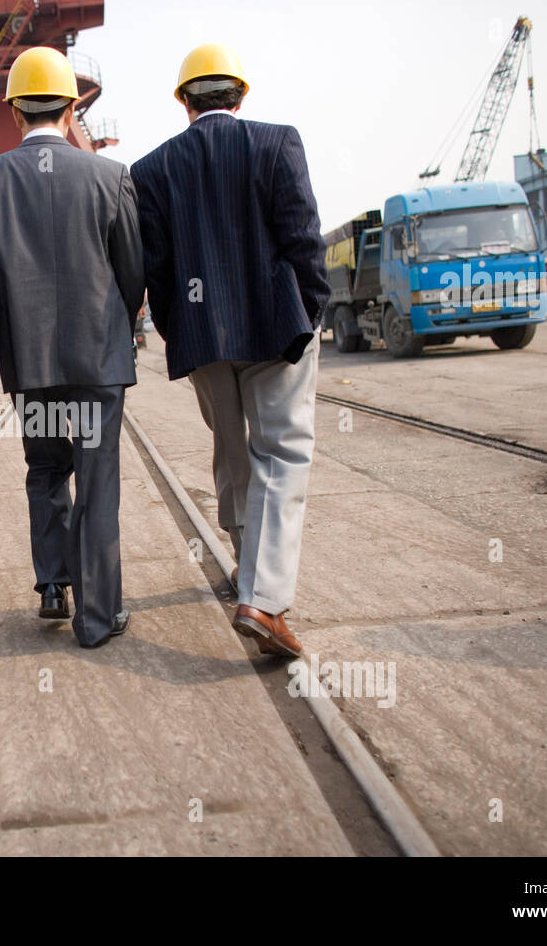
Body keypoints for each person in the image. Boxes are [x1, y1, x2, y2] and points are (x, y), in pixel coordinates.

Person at [130, 44, 330, 658]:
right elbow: (303, 237)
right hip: (276, 327)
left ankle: (249, 570)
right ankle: (264, 601)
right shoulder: (276, 142)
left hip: (203, 333)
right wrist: (312, 311)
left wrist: (177, 327)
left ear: (184, 102)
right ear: (240, 96)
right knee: (283, 451)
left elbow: (156, 268)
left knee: (232, 452)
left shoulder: (152, 169)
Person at [0, 46, 145, 649]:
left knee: (45, 470)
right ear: (72, 109)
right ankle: (99, 617)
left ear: (14, 114)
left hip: (32, 368)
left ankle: (51, 585)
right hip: (97, 362)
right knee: (97, 479)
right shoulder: (111, 176)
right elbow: (131, 274)